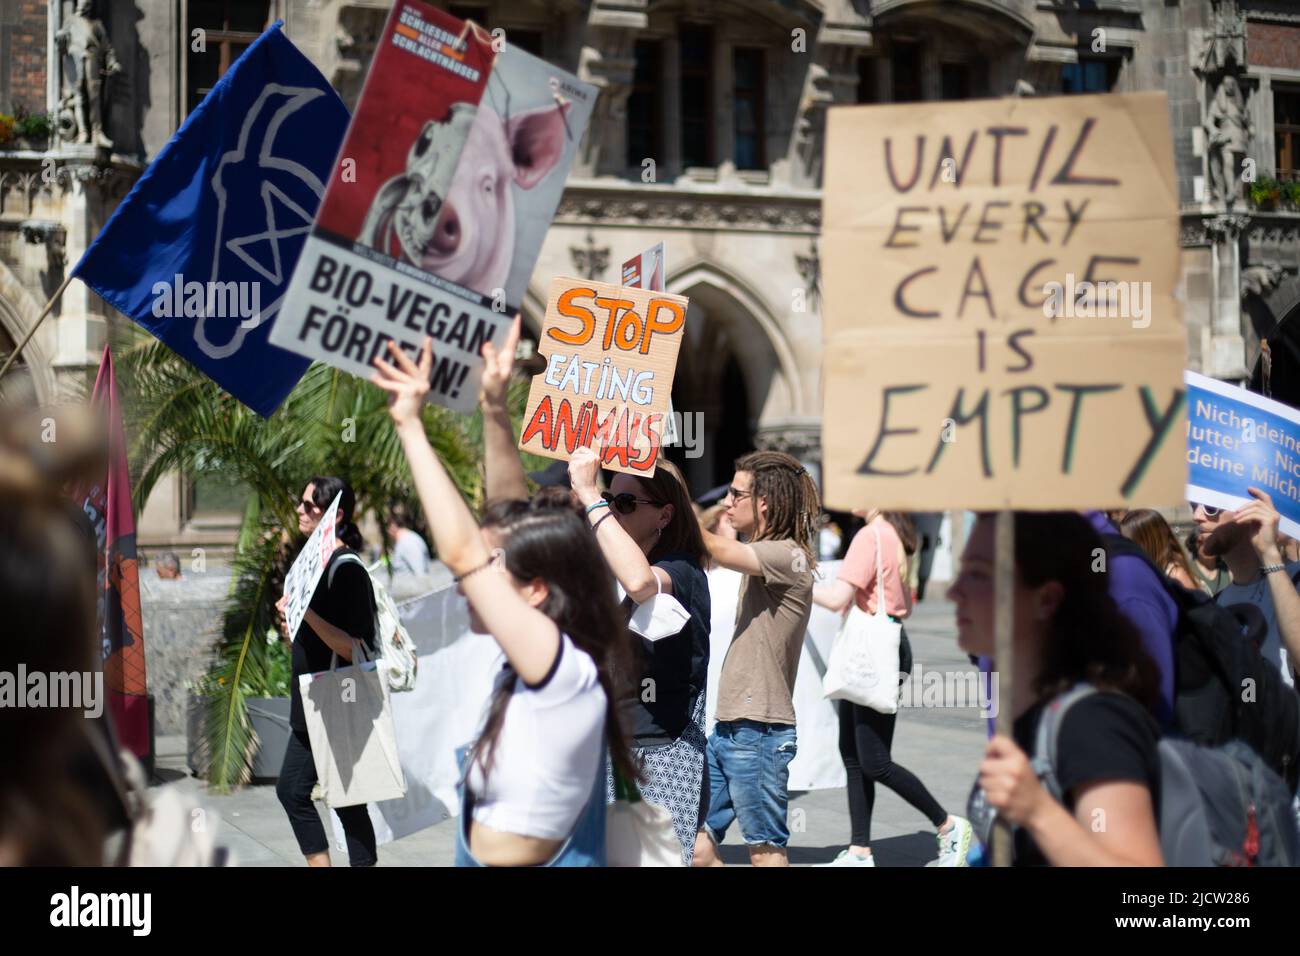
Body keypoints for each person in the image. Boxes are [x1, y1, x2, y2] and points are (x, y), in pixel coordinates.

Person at [372, 338, 637, 867]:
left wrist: (410, 425)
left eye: (498, 571)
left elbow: (465, 550)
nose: (479, 583)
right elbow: (504, 519)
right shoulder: (546, 660)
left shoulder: (565, 670)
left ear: (537, 590)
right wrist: (494, 408)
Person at [949, 512, 1164, 866]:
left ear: (1046, 599)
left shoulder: (1092, 723)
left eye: (978, 574)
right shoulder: (1031, 709)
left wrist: (1038, 812)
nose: (956, 591)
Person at [569, 446, 711, 865]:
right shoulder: (612, 568)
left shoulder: (681, 571)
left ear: (665, 516)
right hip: (616, 747)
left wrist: (589, 494)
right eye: (612, 500)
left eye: (626, 503)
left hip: (664, 752)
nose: (613, 511)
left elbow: (642, 582)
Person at [813, 509, 973, 867]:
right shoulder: (892, 534)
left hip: (872, 653)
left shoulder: (870, 536)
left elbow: (838, 599)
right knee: (853, 755)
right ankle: (859, 851)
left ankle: (947, 825)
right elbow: (903, 606)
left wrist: (795, 582)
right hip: (887, 645)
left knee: (874, 762)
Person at [692, 450, 820, 867]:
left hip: (760, 732)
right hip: (731, 727)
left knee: (766, 854)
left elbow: (711, 544)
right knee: (696, 847)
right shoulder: (770, 553)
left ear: (763, 501)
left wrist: (664, 485)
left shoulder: (787, 554)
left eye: (735, 494)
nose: (727, 503)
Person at [274, 476, 379, 868]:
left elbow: (354, 646)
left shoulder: (347, 570)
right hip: (313, 699)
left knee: (340, 800)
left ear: (335, 514)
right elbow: (311, 640)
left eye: (310, 506)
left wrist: (306, 614)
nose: (301, 511)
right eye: (301, 503)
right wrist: (292, 627)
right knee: (301, 793)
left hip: (339, 700)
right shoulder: (311, 565)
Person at [1196, 489, 1300, 688]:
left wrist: (1269, 553)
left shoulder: (1296, 578)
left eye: (1210, 507)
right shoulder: (1217, 603)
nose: (1197, 516)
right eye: (1194, 506)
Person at [1119, 509, 1205, 592]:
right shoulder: (1139, 570)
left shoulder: (1176, 576)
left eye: (1128, 541)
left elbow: (1197, 606)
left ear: (1147, 542)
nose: (1124, 546)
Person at [386, 503, 431, 575]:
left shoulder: (407, 542)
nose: (387, 532)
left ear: (393, 526)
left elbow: (420, 573)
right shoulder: (405, 540)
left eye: (387, 528)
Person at [1185, 526, 1230, 594]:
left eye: (1211, 541)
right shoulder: (1187, 570)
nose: (1207, 546)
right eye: (1201, 542)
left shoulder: (1228, 569)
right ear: (1194, 544)